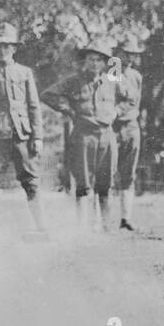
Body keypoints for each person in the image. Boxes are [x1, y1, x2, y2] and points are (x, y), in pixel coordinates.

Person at [0, 23, 46, 235]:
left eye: (6, 46)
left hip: (22, 135)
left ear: (14, 48)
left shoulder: (24, 73)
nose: (1, 50)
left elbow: (34, 106)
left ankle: (41, 228)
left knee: (31, 183)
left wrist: (38, 136)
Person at [42, 41, 118, 231]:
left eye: (99, 60)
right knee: (83, 183)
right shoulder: (73, 81)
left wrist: (117, 111)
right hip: (84, 135)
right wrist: (67, 108)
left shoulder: (112, 82)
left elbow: (130, 99)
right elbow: (48, 94)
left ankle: (106, 226)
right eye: (91, 59)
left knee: (105, 183)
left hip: (107, 136)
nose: (94, 64)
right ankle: (82, 228)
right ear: (84, 61)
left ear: (104, 63)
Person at [113, 38, 145, 231]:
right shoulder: (111, 73)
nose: (130, 58)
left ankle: (126, 217)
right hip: (113, 126)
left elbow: (135, 102)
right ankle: (100, 218)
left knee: (129, 173)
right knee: (106, 171)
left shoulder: (136, 76)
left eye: (133, 54)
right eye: (127, 53)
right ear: (119, 53)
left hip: (131, 126)